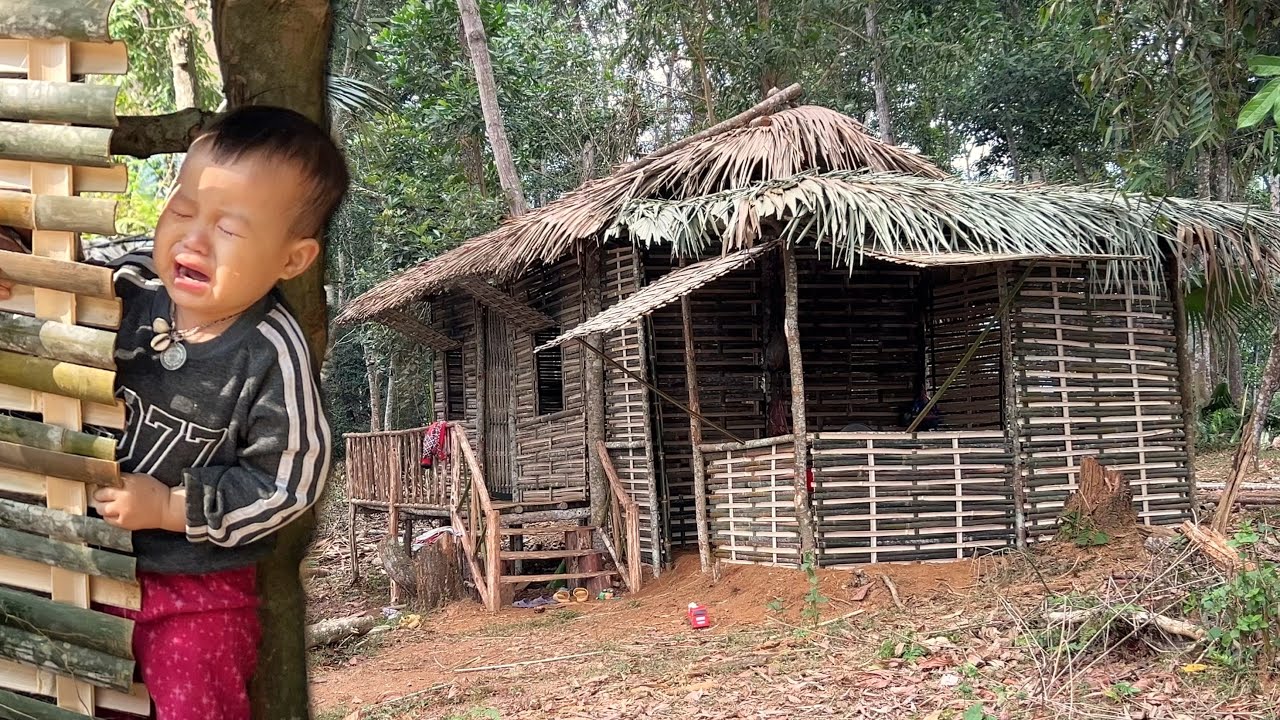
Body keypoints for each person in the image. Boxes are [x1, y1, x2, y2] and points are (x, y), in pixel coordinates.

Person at [1, 105, 348, 720]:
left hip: (195, 590)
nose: (192, 238)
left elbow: (290, 483)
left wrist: (169, 506)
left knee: (198, 702)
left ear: (291, 259)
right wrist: (15, 262)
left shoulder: (271, 352)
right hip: (82, 559)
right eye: (182, 210)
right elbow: (58, 279)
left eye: (229, 229)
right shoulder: (129, 282)